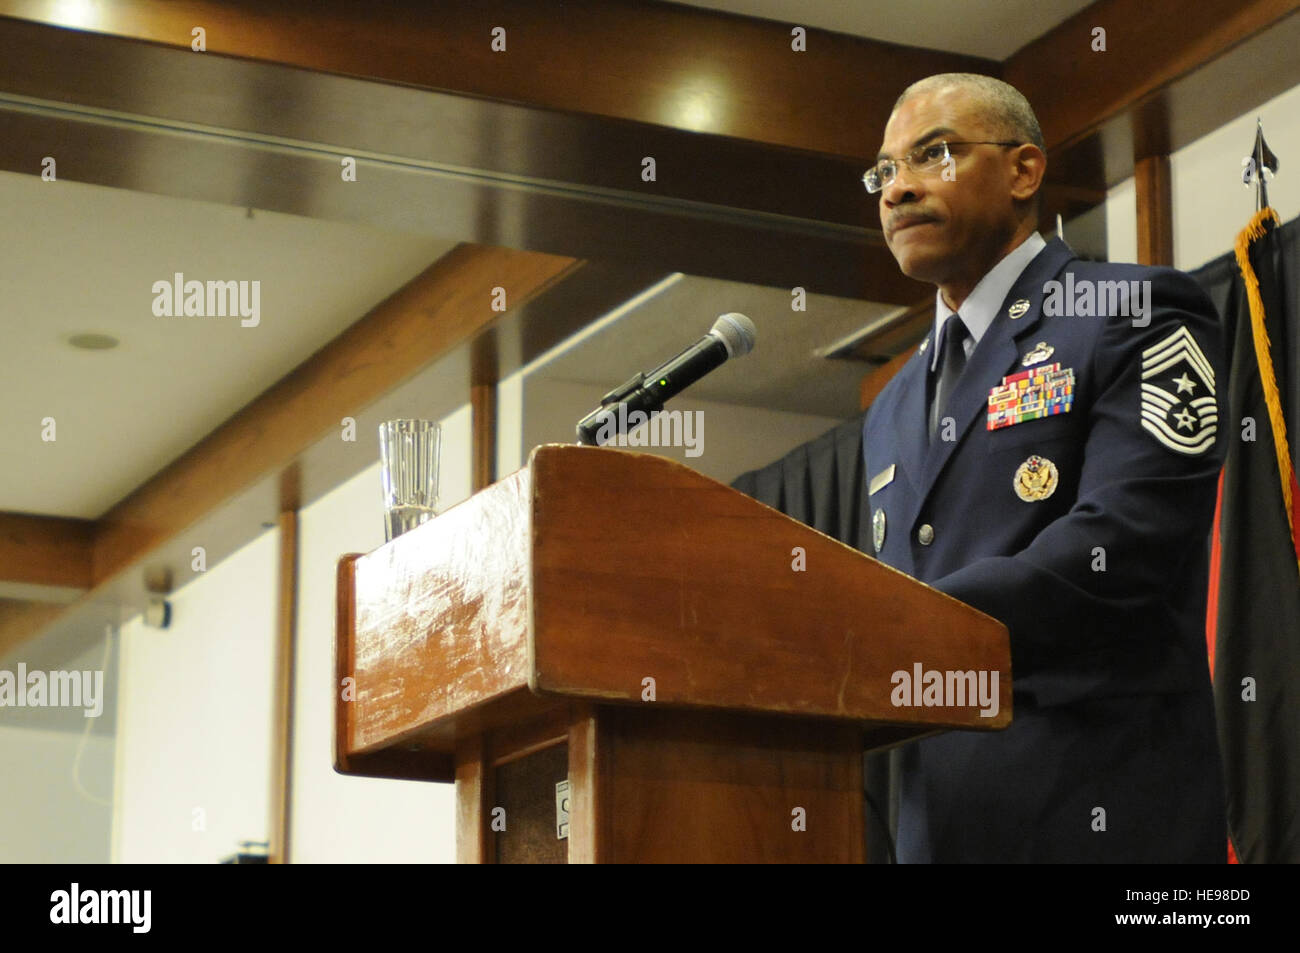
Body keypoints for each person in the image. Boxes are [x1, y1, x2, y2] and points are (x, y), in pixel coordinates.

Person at [862, 73, 1227, 862]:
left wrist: (887, 626)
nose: (897, 190)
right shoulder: (890, 407)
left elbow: (1124, 545)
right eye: (885, 171)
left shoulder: (1135, 313)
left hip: (1105, 821)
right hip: (945, 834)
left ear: (1025, 171)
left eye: (933, 154)